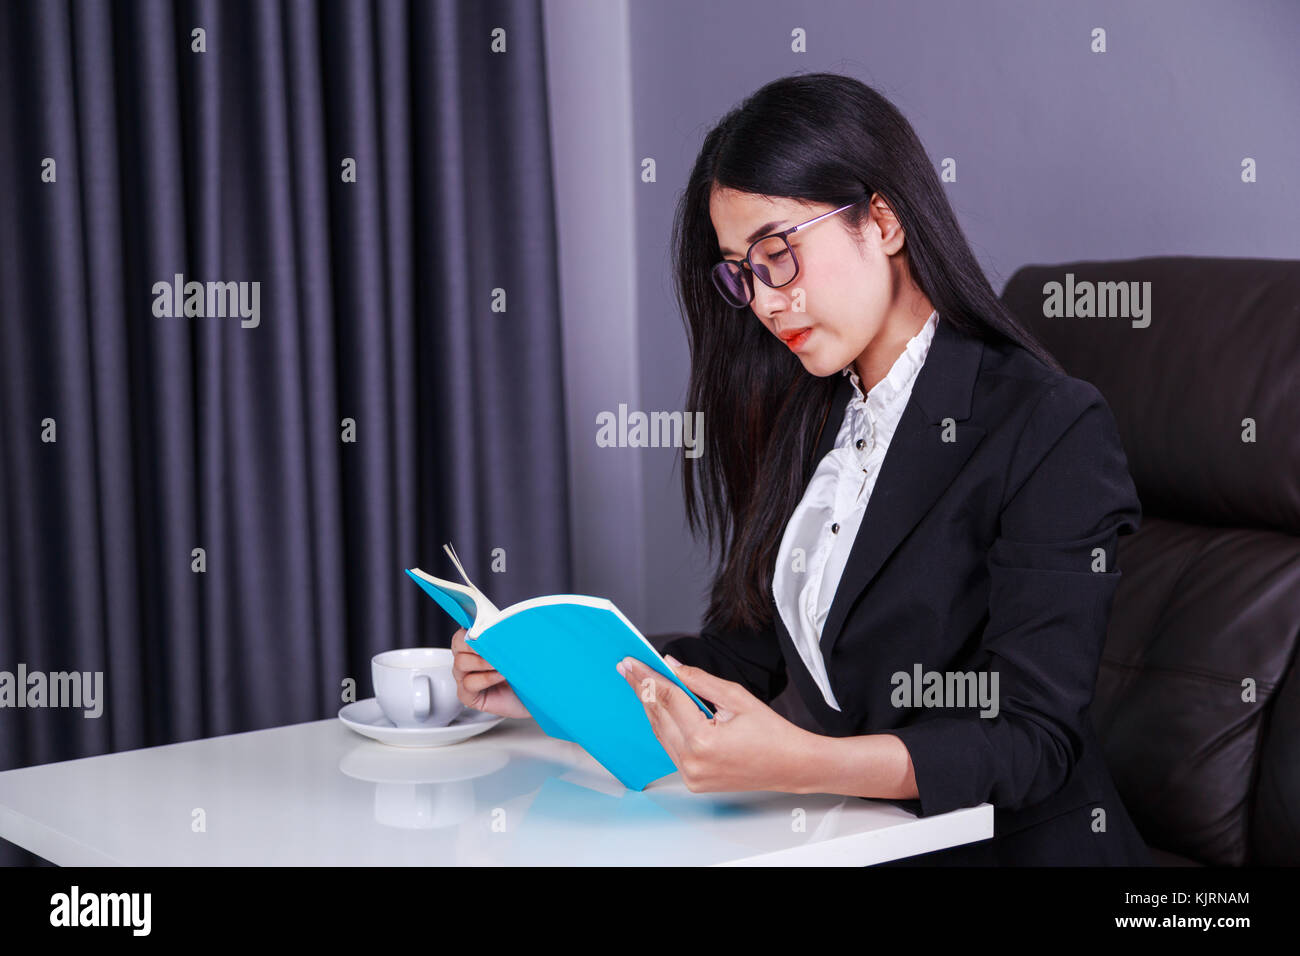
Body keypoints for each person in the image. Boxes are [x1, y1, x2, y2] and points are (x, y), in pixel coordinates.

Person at [452, 72, 1151, 866]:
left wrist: (798, 761)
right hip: (851, 838)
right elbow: (753, 653)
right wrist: (559, 685)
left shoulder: (1048, 425)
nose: (765, 301)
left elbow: (1032, 738)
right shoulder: (812, 409)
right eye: (740, 272)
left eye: (778, 253)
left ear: (882, 220)